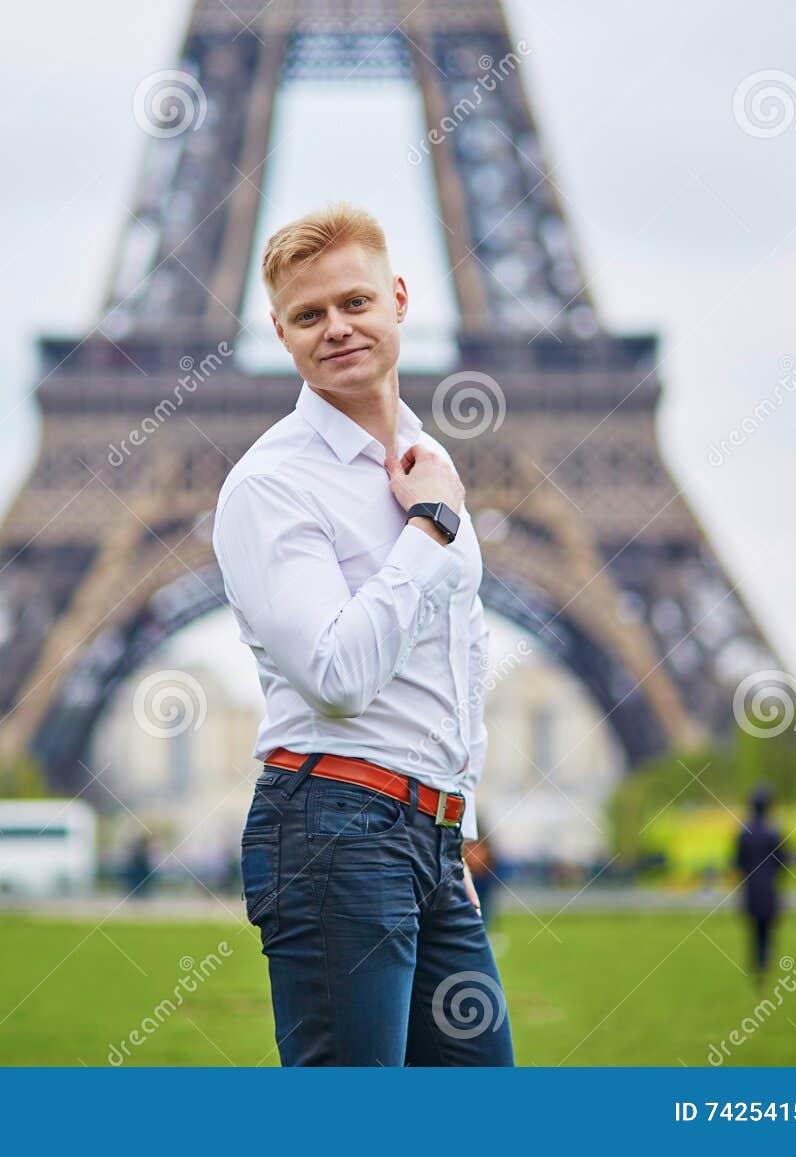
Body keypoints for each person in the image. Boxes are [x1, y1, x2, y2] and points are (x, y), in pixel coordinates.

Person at [212, 203, 511, 1066]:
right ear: (280, 331)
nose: (336, 328)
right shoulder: (271, 485)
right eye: (309, 315)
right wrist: (426, 533)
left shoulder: (428, 465)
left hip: (429, 841)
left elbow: (459, 658)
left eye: (355, 302)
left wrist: (456, 830)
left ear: (400, 299)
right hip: (336, 828)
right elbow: (337, 673)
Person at [734, 786, 787, 990]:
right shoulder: (773, 832)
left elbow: (738, 861)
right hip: (769, 887)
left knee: (754, 929)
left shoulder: (743, 833)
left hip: (750, 887)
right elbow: (783, 859)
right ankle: (765, 962)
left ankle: (755, 963)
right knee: (767, 929)